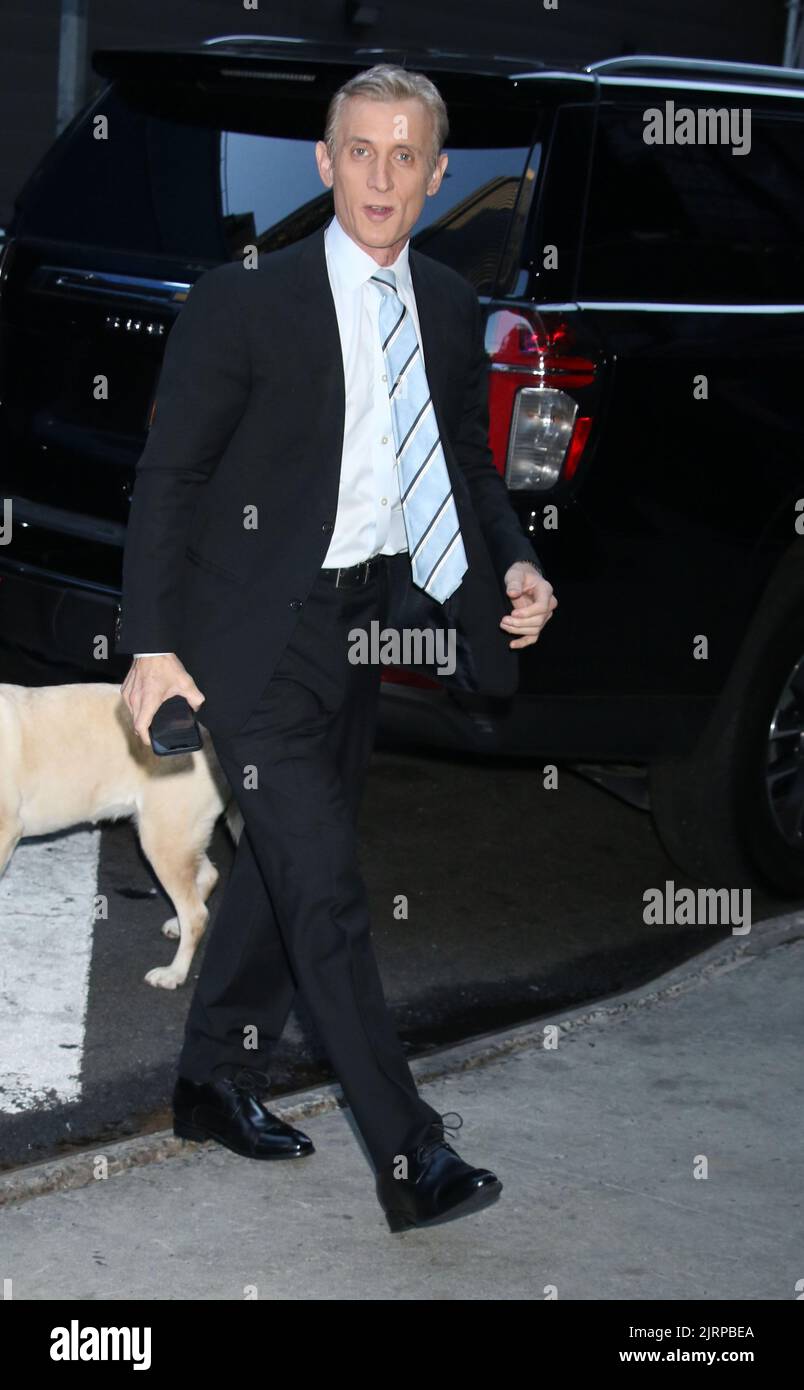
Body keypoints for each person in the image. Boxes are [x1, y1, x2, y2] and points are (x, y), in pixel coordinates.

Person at [116, 63, 557, 1233]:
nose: (380, 175)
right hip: (246, 638)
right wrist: (152, 645)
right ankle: (411, 1154)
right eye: (359, 150)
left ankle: (213, 1077)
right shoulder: (244, 300)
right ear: (325, 161)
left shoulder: (453, 310)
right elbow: (170, 482)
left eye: (404, 155)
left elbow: (463, 466)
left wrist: (512, 563)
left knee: (277, 864)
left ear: (435, 174)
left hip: (363, 625)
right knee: (326, 887)